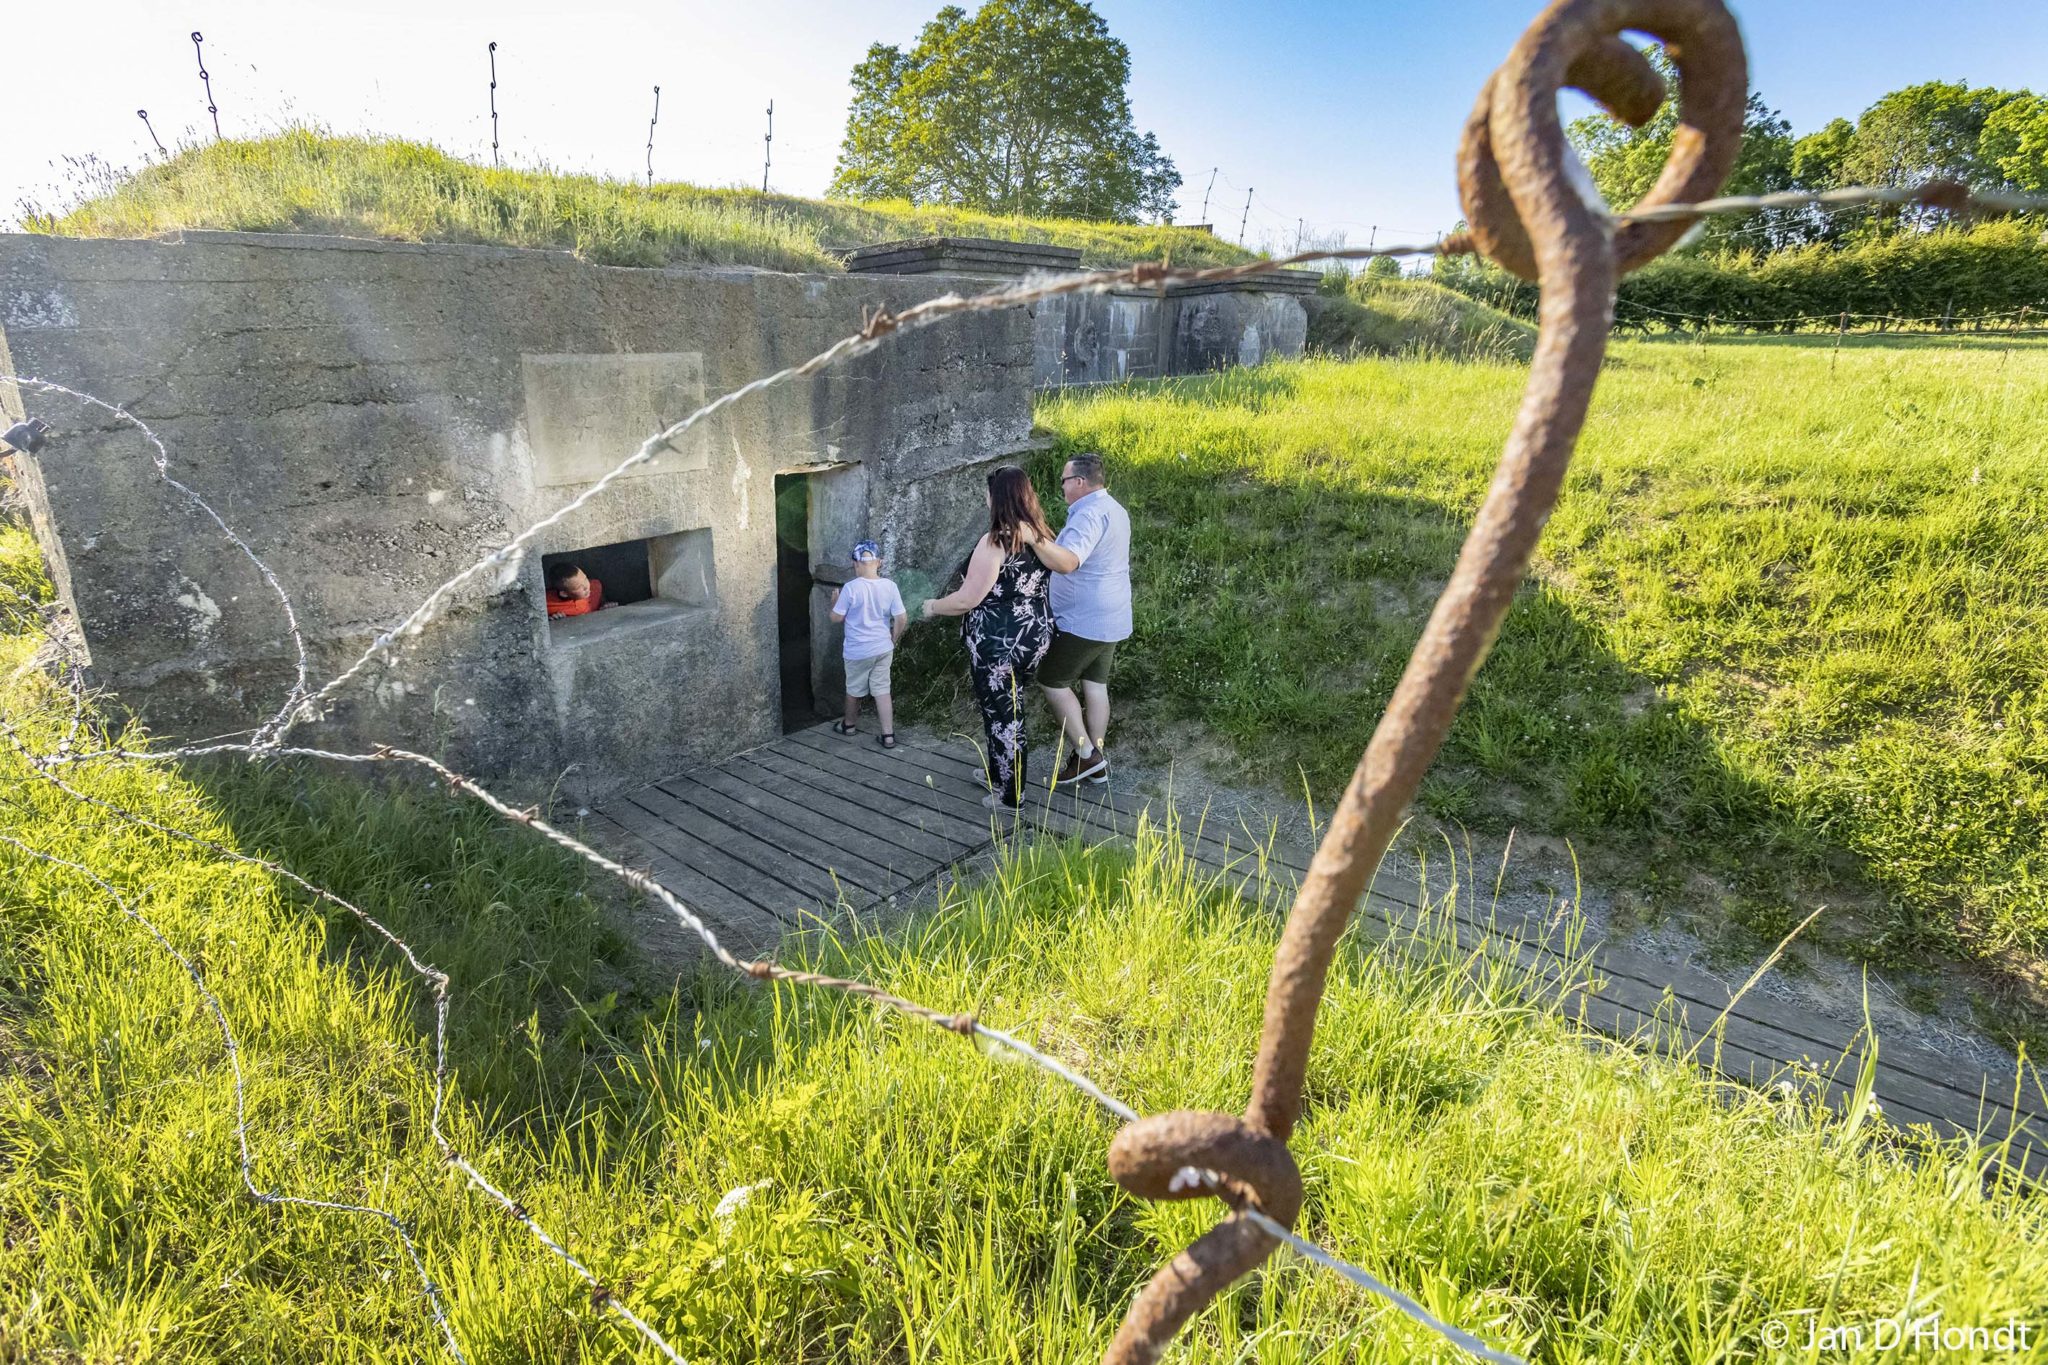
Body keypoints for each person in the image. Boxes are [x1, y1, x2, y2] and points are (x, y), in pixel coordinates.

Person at [921, 466, 1078, 809]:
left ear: (997, 497)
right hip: (1035, 636)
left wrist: (931, 606)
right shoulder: (1038, 535)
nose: (985, 498)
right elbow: (1067, 564)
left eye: (987, 493)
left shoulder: (995, 540)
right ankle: (998, 774)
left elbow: (968, 598)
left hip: (999, 643)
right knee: (1007, 707)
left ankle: (1012, 796)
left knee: (1004, 716)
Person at [1037, 452, 1131, 787]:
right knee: (1095, 684)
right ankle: (1094, 761)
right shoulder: (1115, 509)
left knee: (1051, 680)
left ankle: (1086, 754)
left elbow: (1068, 562)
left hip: (1084, 619)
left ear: (1078, 482)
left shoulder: (1089, 515)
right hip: (1112, 616)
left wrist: (1036, 540)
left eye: (1064, 480)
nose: (1061, 487)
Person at [829, 539, 908, 748]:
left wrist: (834, 604)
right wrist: (893, 638)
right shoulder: (890, 586)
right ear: (879, 562)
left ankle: (849, 725)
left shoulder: (850, 588)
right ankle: (888, 735)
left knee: (854, 689)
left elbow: (836, 618)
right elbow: (901, 618)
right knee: (882, 690)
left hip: (857, 651)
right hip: (883, 648)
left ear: (855, 563)